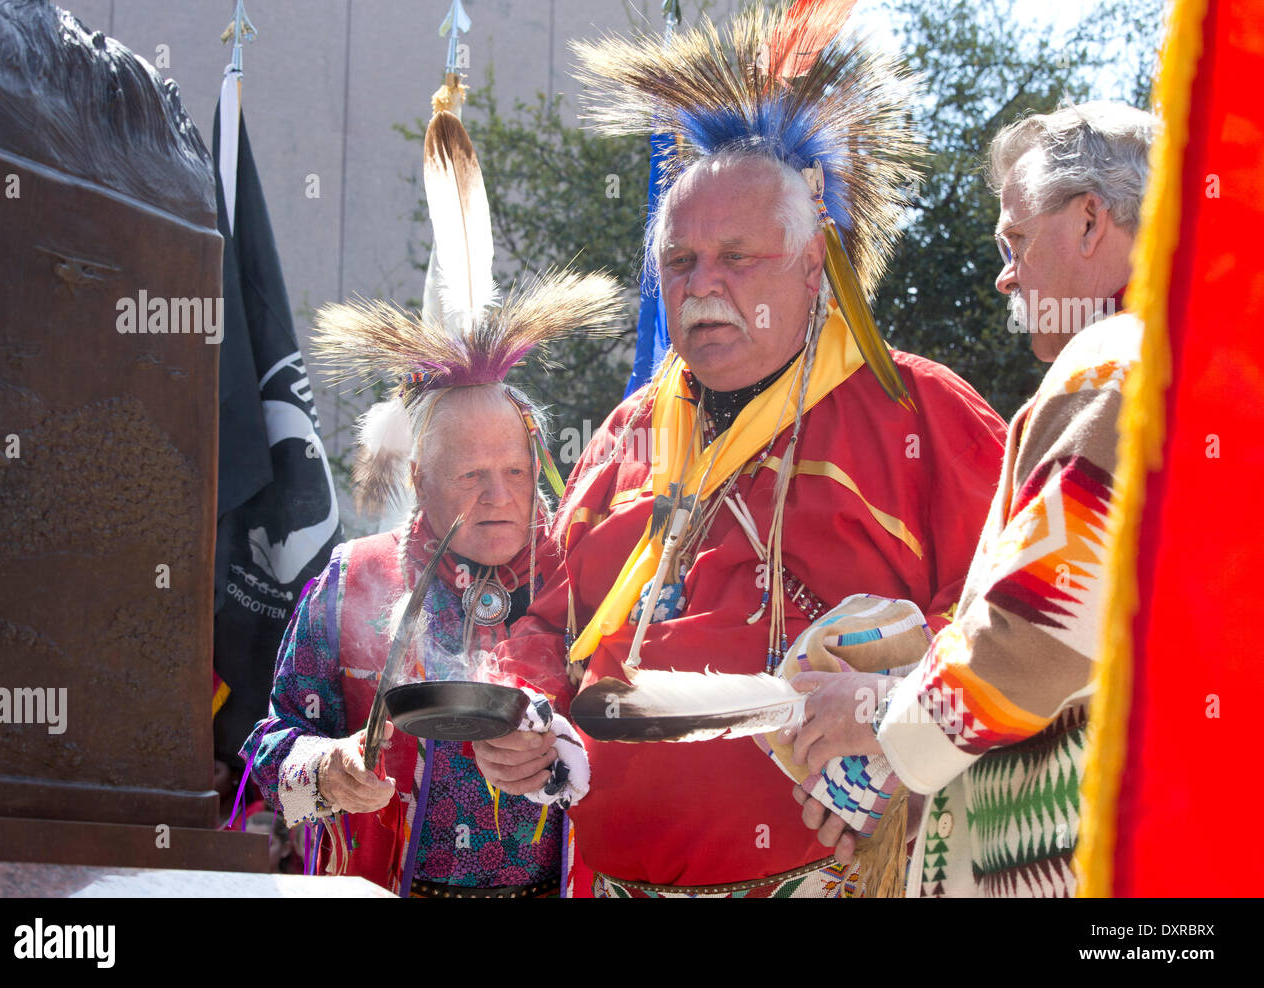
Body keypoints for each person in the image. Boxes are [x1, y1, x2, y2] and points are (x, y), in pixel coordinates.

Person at [472, 9, 1008, 898]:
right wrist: (524, 710)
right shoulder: (627, 435)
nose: (701, 285)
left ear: (813, 267)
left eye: (735, 257)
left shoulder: (920, 415)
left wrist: (890, 706)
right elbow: (546, 624)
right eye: (678, 261)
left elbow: (1017, 626)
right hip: (613, 879)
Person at [237, 104, 624, 896]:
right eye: (468, 476)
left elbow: (646, 737)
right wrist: (328, 764)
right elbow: (268, 746)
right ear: (418, 479)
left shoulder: (586, 580)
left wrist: (568, 752)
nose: (498, 497)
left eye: (514, 472)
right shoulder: (353, 580)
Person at [789, 101, 1158, 897]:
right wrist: (919, 784)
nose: (1004, 273)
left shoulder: (1120, 363)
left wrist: (883, 716)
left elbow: (1038, 632)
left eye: (1014, 240)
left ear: (1091, 221)